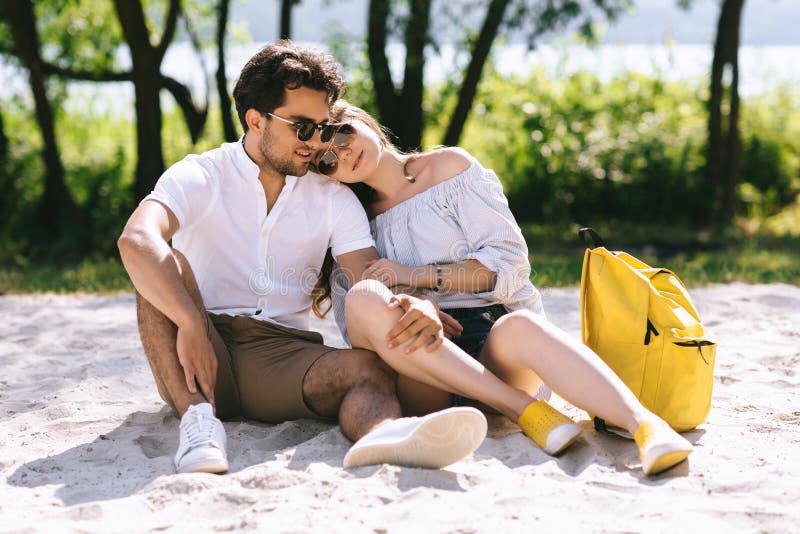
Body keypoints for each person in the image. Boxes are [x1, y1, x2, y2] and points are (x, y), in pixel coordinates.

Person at [117, 41, 488, 475]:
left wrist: (413, 299)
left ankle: (384, 436)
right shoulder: (202, 173)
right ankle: (199, 423)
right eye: (302, 127)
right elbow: (135, 240)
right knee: (164, 267)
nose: (317, 143)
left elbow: (370, 275)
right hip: (196, 350)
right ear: (256, 120)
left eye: (324, 128)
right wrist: (192, 323)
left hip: (283, 356)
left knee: (368, 369)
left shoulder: (333, 199)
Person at [311, 101, 694, 476]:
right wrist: (414, 305)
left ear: (361, 121)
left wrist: (415, 275)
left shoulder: (449, 169)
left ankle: (646, 426)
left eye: (341, 134)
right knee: (364, 298)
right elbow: (359, 323)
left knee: (522, 325)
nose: (343, 155)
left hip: (492, 342)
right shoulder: (354, 225)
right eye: (327, 161)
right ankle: (523, 411)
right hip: (424, 366)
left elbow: (508, 265)